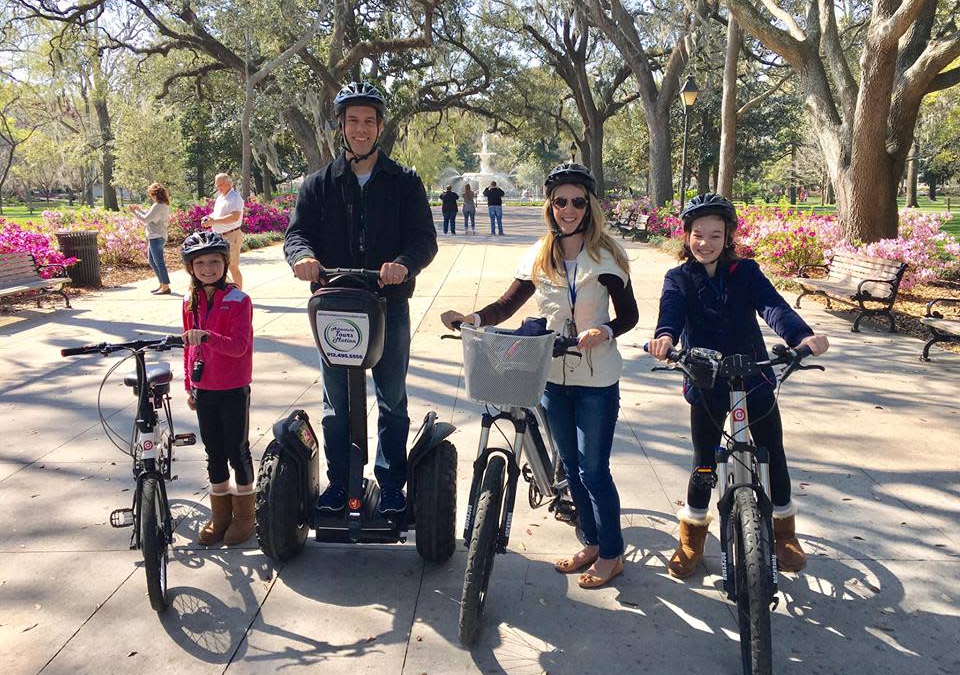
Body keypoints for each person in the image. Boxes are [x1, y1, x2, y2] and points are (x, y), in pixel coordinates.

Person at [441, 163, 638, 588]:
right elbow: (506, 305)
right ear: (551, 205)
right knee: (569, 464)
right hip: (549, 376)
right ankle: (589, 540)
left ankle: (612, 553)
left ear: (589, 208)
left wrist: (603, 330)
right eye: (561, 201)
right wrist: (472, 317)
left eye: (577, 202)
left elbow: (630, 315)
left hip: (596, 378)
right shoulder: (538, 255)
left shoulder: (606, 257)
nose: (568, 209)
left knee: (594, 470)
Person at [646, 192, 829, 579]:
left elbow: (773, 306)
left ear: (727, 236)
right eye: (698, 233)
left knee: (772, 454)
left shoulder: (746, 272)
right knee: (705, 460)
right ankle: (692, 534)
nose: (705, 242)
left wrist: (803, 336)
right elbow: (671, 313)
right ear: (687, 235)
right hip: (706, 378)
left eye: (715, 235)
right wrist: (665, 337)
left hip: (753, 375)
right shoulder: (678, 277)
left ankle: (784, 531)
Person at [284, 81, 438, 515]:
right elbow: (296, 234)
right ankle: (339, 481)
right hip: (335, 307)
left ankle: (391, 484)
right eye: (353, 121)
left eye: (369, 121)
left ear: (380, 126)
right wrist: (304, 257)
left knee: (392, 397)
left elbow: (424, 239)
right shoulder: (318, 184)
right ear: (341, 126)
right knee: (336, 403)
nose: (361, 129)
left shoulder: (404, 182)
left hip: (388, 305)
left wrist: (404, 263)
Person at [180, 231, 256, 546]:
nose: (207, 268)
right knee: (213, 452)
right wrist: (189, 383)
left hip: (233, 385)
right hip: (205, 387)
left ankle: (245, 515)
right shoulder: (189, 301)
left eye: (214, 261)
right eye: (200, 262)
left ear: (225, 263)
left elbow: (239, 346)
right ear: (191, 267)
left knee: (237, 449)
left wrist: (208, 336)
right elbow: (188, 346)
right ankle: (221, 514)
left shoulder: (239, 300)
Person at [202, 173, 245, 290]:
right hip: (218, 236)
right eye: (217, 185)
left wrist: (214, 221)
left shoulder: (235, 197)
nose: (218, 187)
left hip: (231, 235)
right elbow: (216, 214)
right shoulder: (221, 197)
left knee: (232, 267)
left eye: (221, 184)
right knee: (220, 267)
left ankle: (239, 295)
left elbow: (235, 217)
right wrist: (208, 219)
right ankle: (227, 291)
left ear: (229, 183)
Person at [130, 183, 172, 295]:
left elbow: (145, 219)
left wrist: (135, 212)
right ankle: (162, 284)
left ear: (155, 194)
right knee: (152, 261)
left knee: (158, 262)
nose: (151, 196)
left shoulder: (158, 205)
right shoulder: (161, 205)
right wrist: (139, 210)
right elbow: (150, 218)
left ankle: (166, 286)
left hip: (156, 236)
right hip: (155, 236)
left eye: (151, 194)